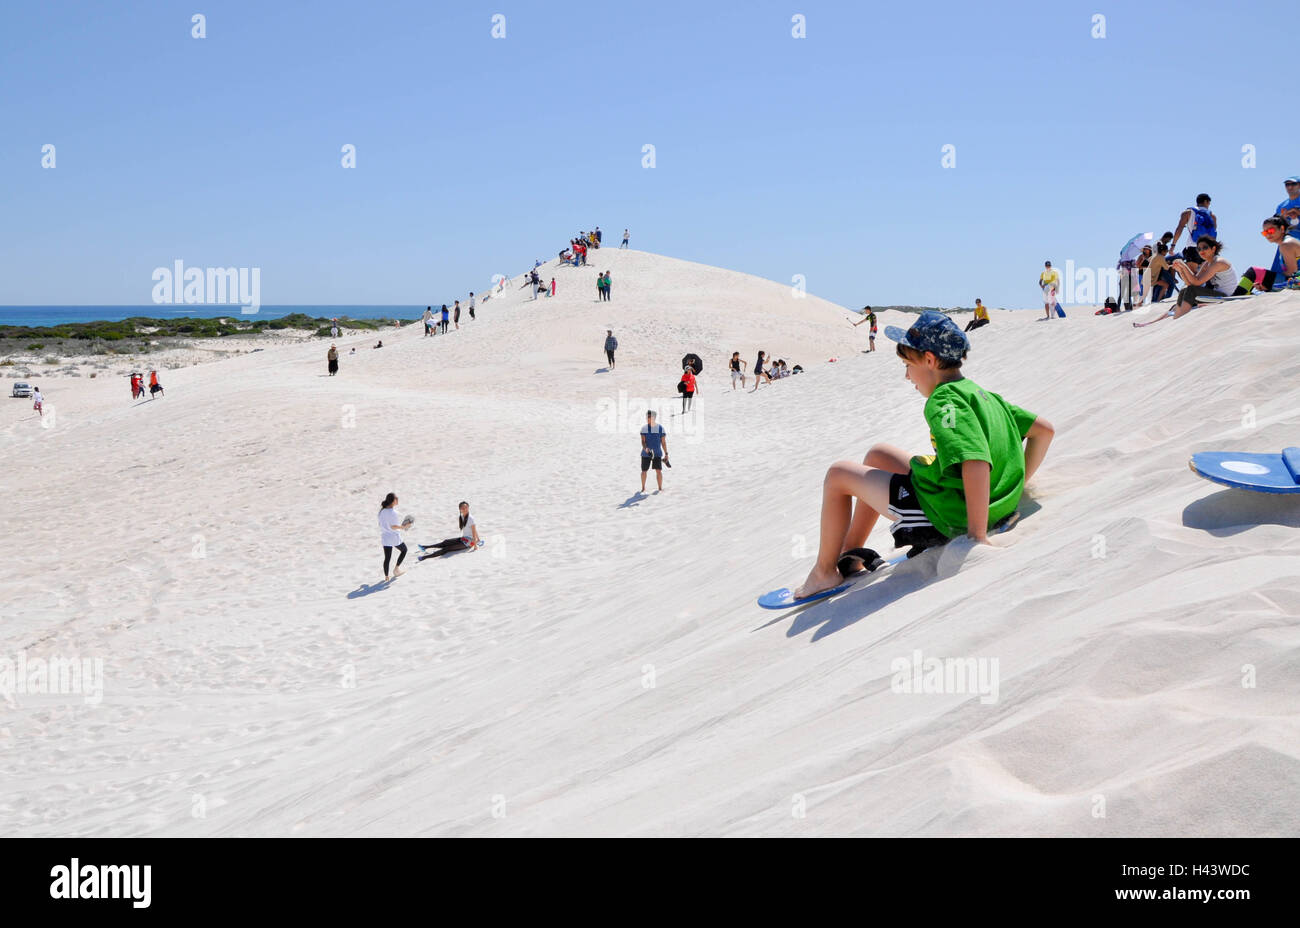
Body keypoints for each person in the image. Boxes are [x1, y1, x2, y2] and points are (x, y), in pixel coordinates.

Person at [791, 311, 1054, 599]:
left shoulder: (944, 400)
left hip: (948, 515)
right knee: (878, 455)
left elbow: (975, 460)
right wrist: (1008, 490)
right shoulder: (981, 394)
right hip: (985, 505)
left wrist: (976, 535)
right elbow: (1044, 431)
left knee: (837, 475)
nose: (906, 376)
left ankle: (824, 573)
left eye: (907, 365)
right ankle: (848, 554)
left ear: (929, 360)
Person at [1138, 236, 1237, 325]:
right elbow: (1191, 282)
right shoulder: (1207, 264)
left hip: (1225, 297)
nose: (1201, 251)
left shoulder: (1218, 262)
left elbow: (1197, 282)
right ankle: (1155, 322)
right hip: (1214, 295)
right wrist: (1181, 270)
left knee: (1191, 291)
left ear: (1213, 248)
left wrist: (1184, 266)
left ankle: (1178, 320)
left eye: (1205, 247)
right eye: (1199, 249)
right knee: (1185, 290)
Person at [1234, 216, 1300, 293]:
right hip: (1295, 281)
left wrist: (1269, 284)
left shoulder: (1286, 244)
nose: (1268, 235)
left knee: (1253, 272)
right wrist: (1267, 284)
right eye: (1265, 232)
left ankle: (1235, 297)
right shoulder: (1286, 242)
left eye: (1271, 230)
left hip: (1296, 282)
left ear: (1282, 229)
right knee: (1255, 281)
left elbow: (1292, 273)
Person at [1171, 194, 1217, 264]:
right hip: (1207, 248)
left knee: (1191, 273)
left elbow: (1179, 229)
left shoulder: (1188, 212)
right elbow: (1213, 234)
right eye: (1209, 203)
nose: (1208, 206)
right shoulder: (1212, 216)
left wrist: (1173, 245)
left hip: (1192, 245)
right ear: (1205, 201)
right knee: (1205, 273)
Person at [378, 492, 408, 580]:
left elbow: (381, 524)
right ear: (393, 501)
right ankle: (396, 569)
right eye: (396, 498)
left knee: (387, 558)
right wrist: (403, 527)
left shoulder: (381, 511)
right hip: (393, 537)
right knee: (404, 550)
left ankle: (386, 576)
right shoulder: (393, 512)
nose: (398, 499)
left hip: (385, 537)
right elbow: (393, 526)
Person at [639, 410, 668, 493]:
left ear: (654, 418)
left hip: (657, 453)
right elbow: (643, 441)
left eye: (649, 417)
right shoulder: (644, 428)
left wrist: (666, 454)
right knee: (644, 471)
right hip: (646, 453)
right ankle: (643, 488)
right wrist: (646, 448)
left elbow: (663, 442)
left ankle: (660, 488)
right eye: (647, 417)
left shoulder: (660, 428)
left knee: (658, 471)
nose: (647, 418)